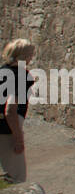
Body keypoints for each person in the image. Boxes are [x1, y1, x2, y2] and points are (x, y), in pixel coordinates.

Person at [0, 39, 37, 182]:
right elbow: (10, 109)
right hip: (8, 127)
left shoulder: (3, 71)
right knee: (16, 176)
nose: (31, 58)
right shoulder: (21, 76)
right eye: (30, 55)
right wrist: (18, 138)